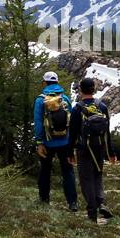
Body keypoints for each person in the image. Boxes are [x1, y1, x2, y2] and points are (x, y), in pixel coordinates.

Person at [68, 77, 115, 222]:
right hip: (99, 148)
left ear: (80, 90)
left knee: (86, 179)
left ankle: (92, 213)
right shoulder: (102, 107)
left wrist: (70, 153)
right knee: (97, 176)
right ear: (94, 89)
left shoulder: (77, 109)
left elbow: (73, 133)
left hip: (83, 150)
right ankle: (101, 203)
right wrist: (111, 153)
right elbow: (107, 132)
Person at [33, 71, 78, 211]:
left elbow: (38, 123)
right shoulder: (65, 99)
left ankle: (44, 199)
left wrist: (39, 142)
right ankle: (72, 203)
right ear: (57, 82)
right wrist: (72, 143)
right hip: (65, 142)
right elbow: (71, 122)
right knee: (68, 171)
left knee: (45, 170)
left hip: (47, 142)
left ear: (44, 82)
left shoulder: (40, 100)